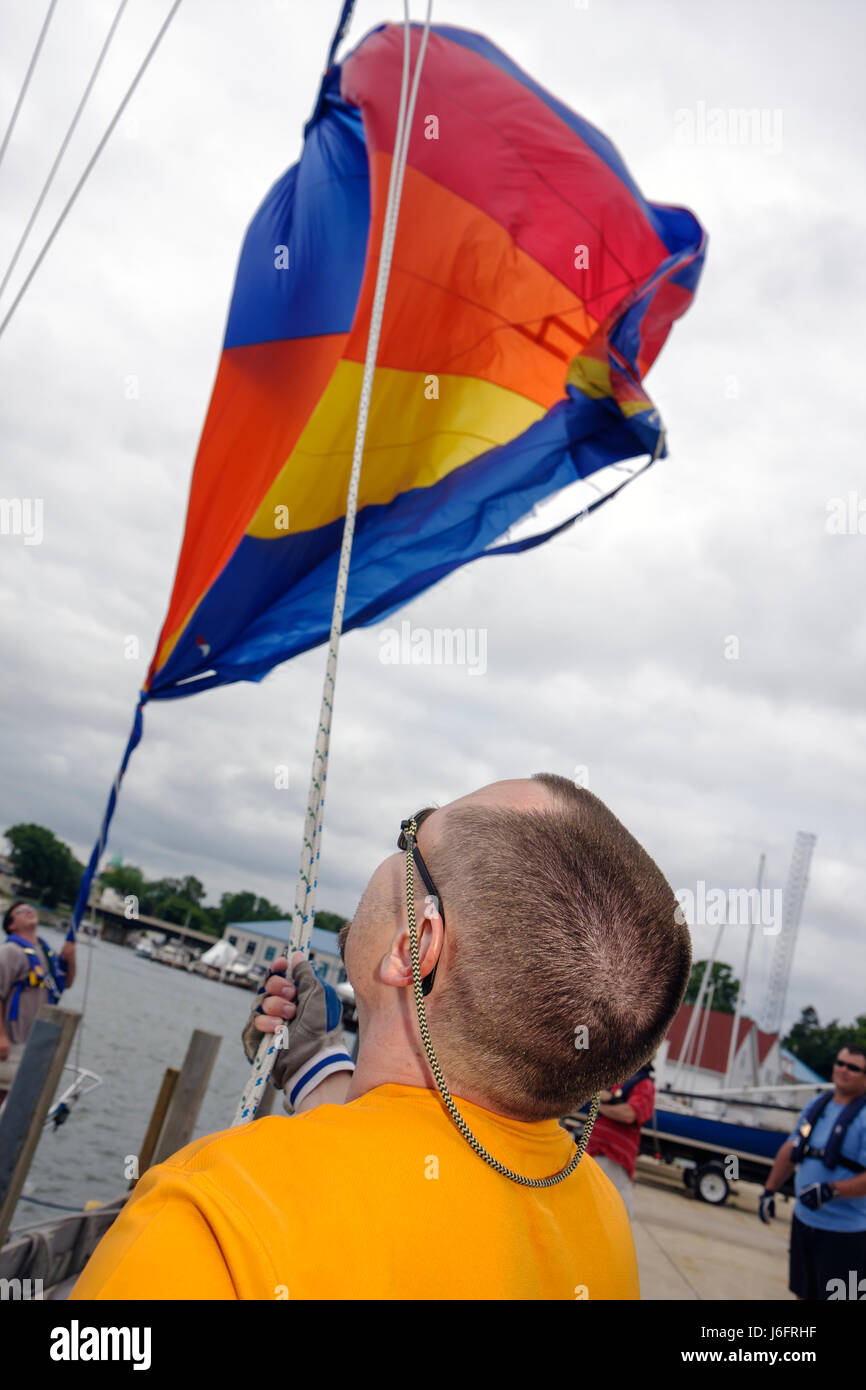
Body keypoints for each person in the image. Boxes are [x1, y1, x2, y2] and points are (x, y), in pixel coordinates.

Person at [73, 775, 691, 1301]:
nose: (395, 849)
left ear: (416, 946)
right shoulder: (601, 1219)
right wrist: (313, 1063)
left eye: (411, 836)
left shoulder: (217, 1218)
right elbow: (424, 1168)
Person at [758, 1043, 866, 1301]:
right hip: (805, 1224)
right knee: (803, 1293)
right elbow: (793, 1148)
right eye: (840, 1063)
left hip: (845, 1235)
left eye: (853, 1067)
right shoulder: (818, 1106)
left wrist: (831, 1190)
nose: (843, 1070)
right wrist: (769, 1190)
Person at [0, 901, 76, 1106]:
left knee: (17, 1101)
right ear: (11, 925)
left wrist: (70, 958)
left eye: (30, 908)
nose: (29, 911)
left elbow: (65, 983)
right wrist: (1, 1036)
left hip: (32, 1040)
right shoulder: (10, 951)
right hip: (12, 1038)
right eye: (21, 911)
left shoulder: (45, 952)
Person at [583, 1063, 655, 1221]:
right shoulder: (618, 1078)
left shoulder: (645, 1085)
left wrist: (599, 1107)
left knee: (613, 1211)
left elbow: (629, 1114)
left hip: (613, 1158)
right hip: (595, 1153)